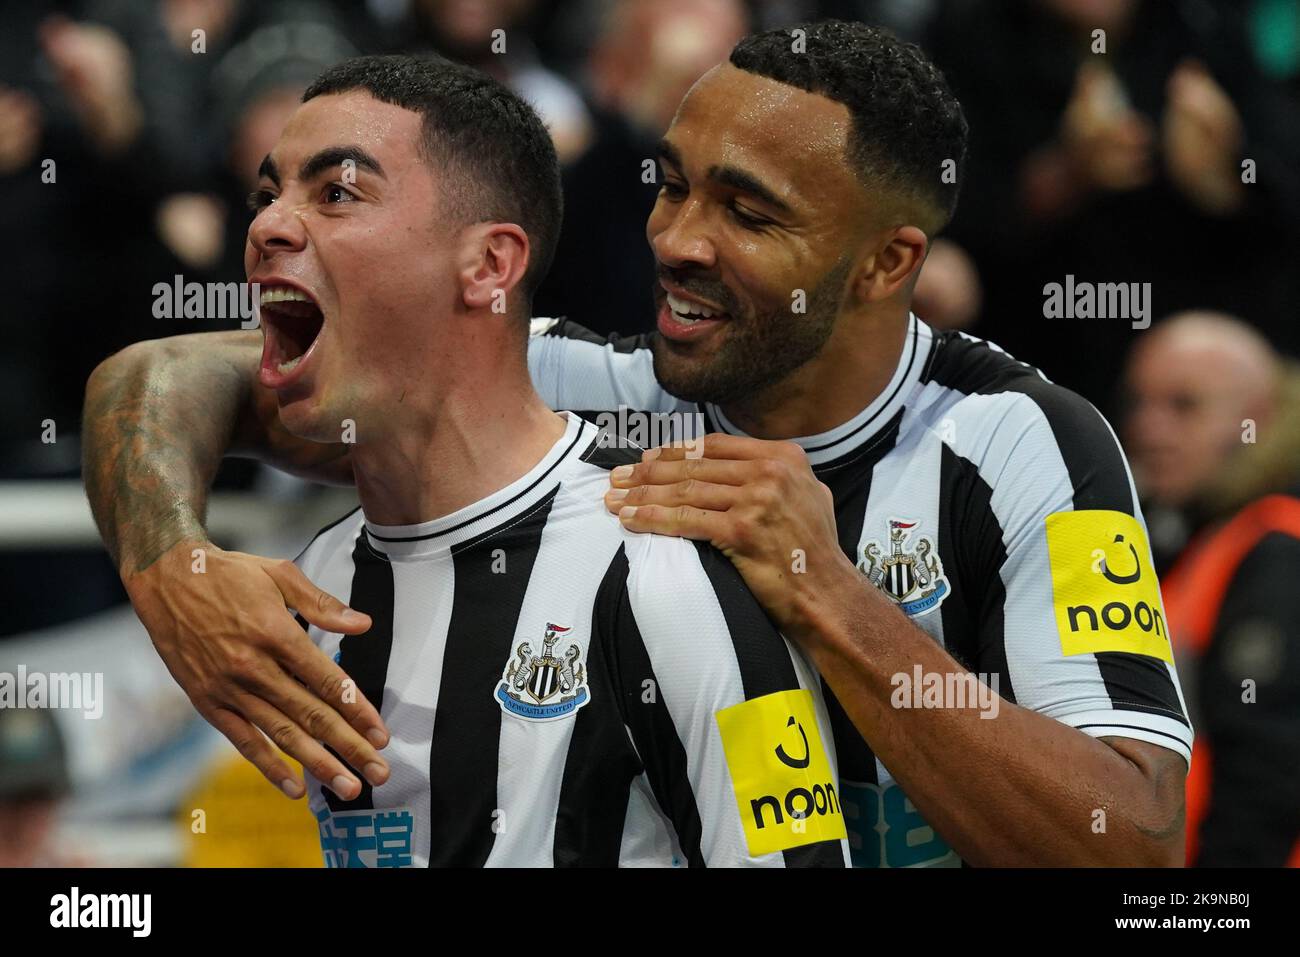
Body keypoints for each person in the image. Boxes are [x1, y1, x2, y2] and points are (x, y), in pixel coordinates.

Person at [84, 21, 1189, 866]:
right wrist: (168, 563)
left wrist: (827, 595)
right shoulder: (569, 385)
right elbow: (159, 379)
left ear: (885, 263)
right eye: (672, 186)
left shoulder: (1019, 441)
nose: (677, 241)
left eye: (747, 213)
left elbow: (1132, 845)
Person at [90, 51, 849, 868]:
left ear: (489, 266)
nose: (268, 225)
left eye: (337, 192)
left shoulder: (670, 573)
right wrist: (169, 563)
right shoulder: (315, 586)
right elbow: (147, 376)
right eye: (267, 195)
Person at [1123, 312, 1300, 866]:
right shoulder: (1203, 537)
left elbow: (1269, 769)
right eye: (1139, 403)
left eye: (1184, 406)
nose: (1149, 429)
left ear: (1257, 419)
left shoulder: (1276, 550)